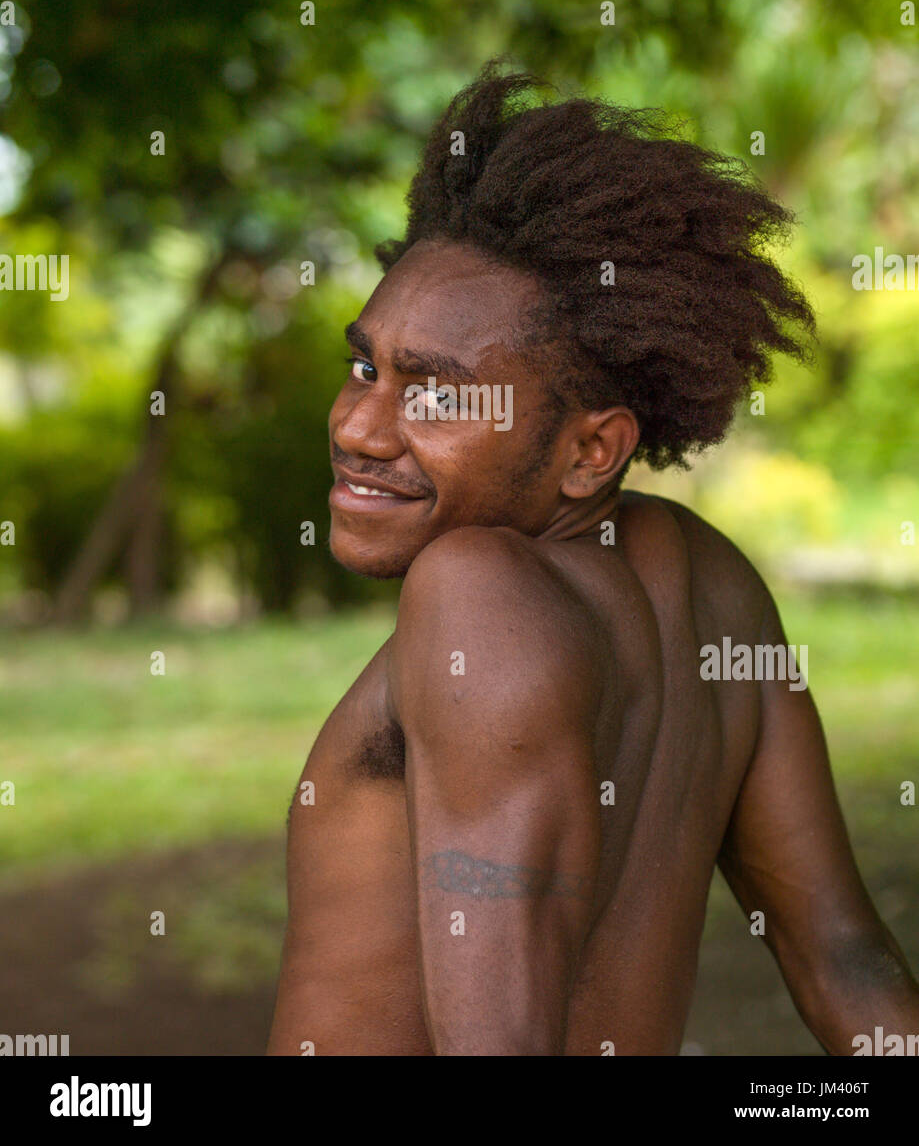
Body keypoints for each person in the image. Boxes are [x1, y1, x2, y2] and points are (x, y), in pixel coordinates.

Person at [267, 61, 919, 1056]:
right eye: (366, 366)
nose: (358, 425)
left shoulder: (472, 590)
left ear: (589, 451)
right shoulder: (718, 589)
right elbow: (845, 966)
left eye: (435, 393)